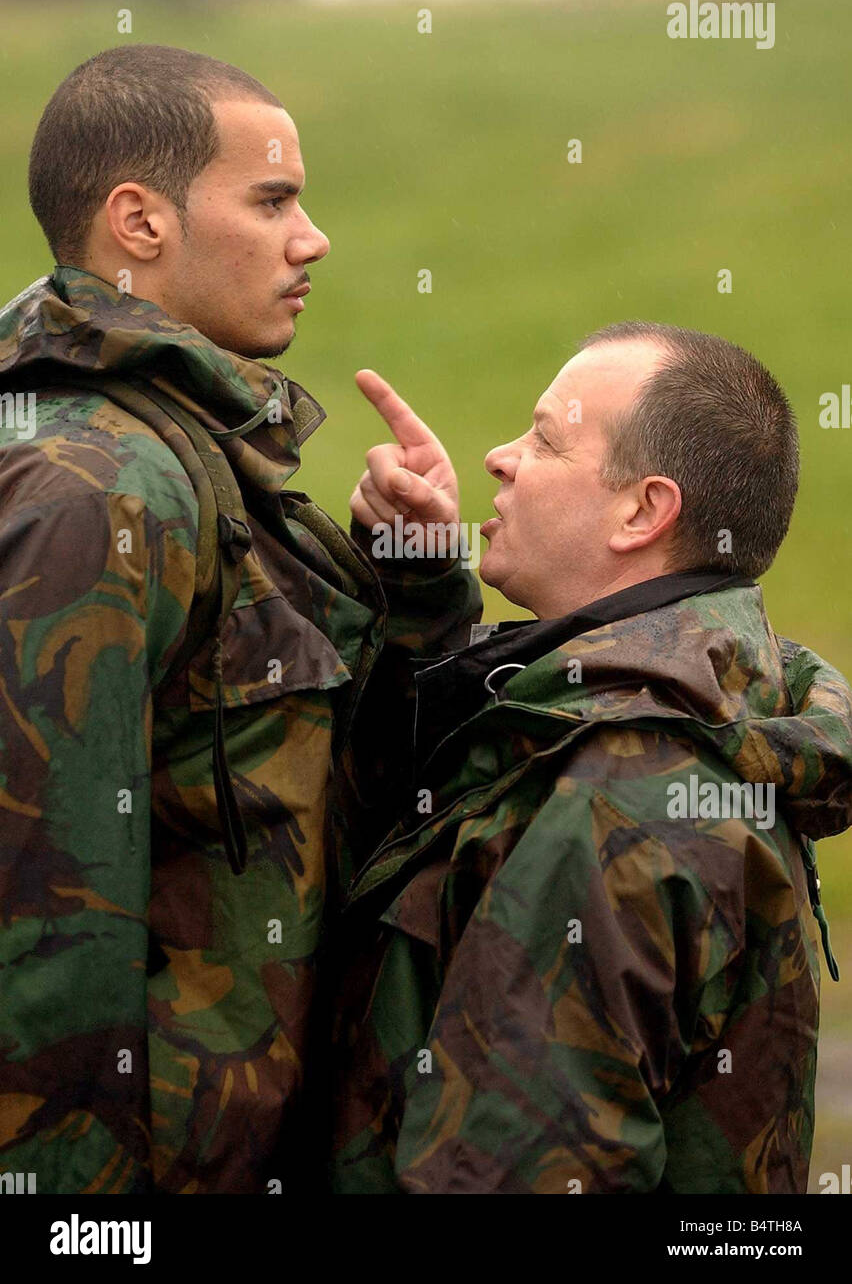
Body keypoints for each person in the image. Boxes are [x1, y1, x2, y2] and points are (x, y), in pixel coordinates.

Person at [0, 44, 480, 1193]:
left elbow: (329, 785)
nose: (310, 239)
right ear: (140, 221)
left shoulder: (194, 452)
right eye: (271, 201)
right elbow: (41, 916)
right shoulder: (92, 487)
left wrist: (409, 575)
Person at [331, 322, 852, 1194]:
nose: (500, 457)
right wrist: (419, 589)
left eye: (545, 438)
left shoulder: (613, 799)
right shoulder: (709, 699)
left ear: (644, 511)